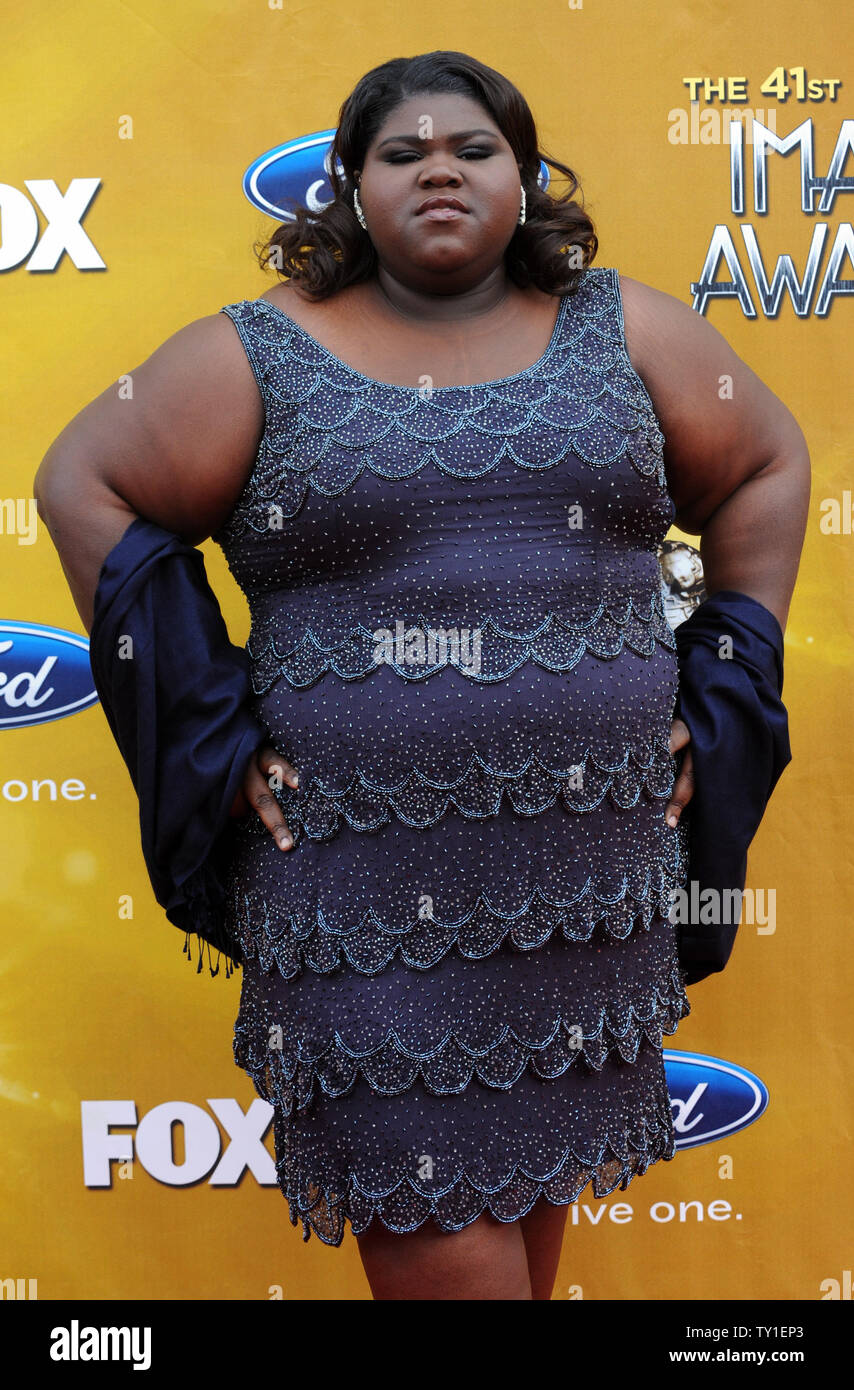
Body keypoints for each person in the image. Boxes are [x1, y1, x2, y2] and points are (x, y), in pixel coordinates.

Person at [34, 50, 809, 1301]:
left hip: (576, 884)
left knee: (524, 1245)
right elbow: (86, 483)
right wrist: (205, 735)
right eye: (402, 153)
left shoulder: (630, 330)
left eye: (472, 148)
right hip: (357, 898)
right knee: (451, 1263)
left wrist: (724, 672)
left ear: (524, 176)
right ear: (346, 189)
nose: (438, 169)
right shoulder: (258, 356)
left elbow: (765, 461)